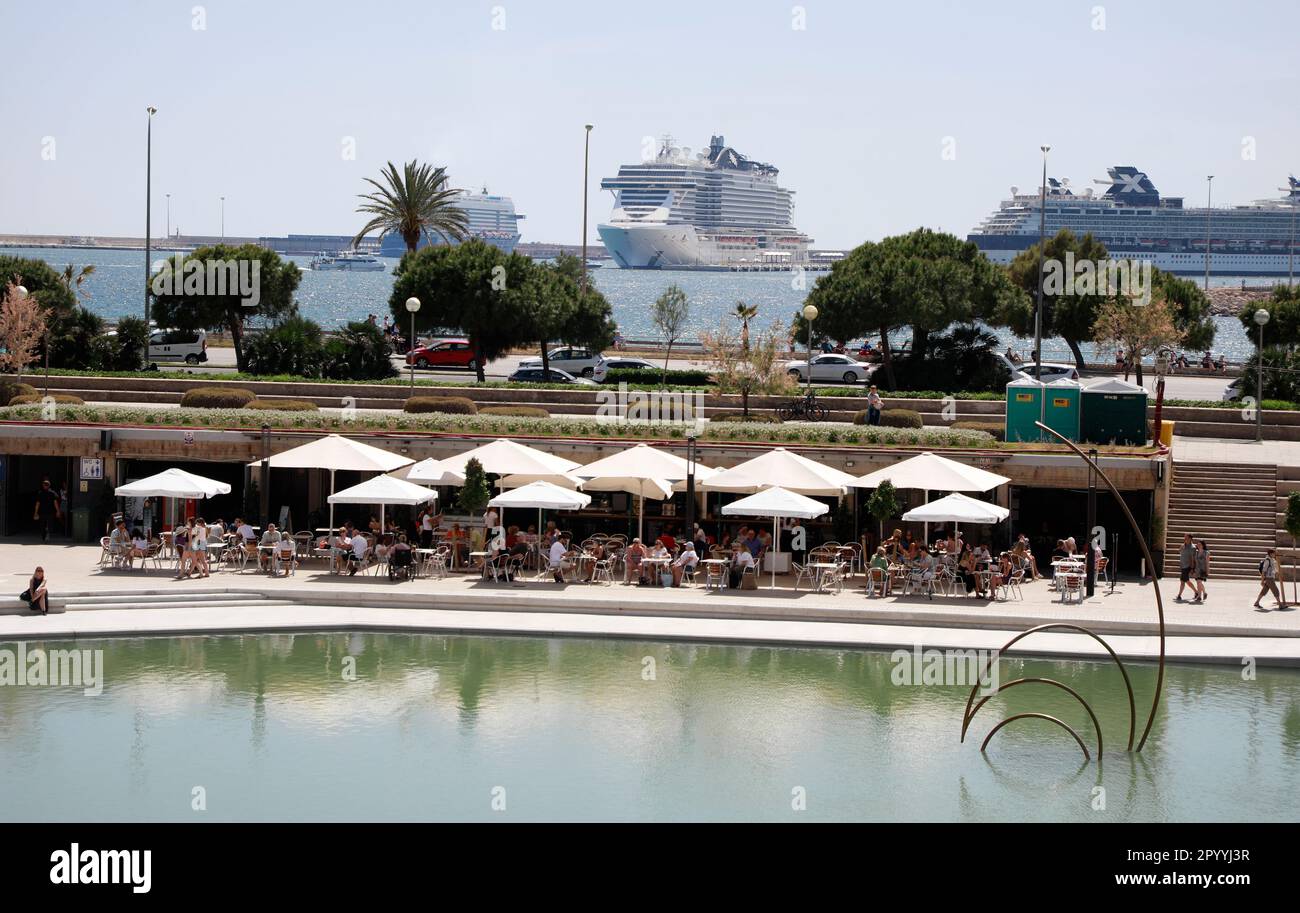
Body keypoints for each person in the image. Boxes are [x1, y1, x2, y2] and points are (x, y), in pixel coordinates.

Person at [33, 478, 61, 542]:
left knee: (42, 525)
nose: (44, 486)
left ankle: (44, 536)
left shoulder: (40, 493)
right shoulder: (53, 493)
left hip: (42, 512)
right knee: (50, 525)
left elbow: (37, 504)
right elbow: (55, 503)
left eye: (45, 485)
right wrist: (58, 511)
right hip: (50, 512)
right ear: (49, 485)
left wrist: (35, 512)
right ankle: (48, 533)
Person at [1175, 533, 1196, 602]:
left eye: (1186, 537)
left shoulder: (1192, 547)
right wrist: (1181, 548)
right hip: (1183, 565)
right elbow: (1180, 552)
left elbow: (1193, 558)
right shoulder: (1183, 545)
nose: (1184, 539)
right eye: (1184, 537)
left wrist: (1192, 568)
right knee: (1185, 581)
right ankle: (1196, 592)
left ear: (1190, 539)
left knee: (1183, 581)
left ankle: (1179, 595)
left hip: (1187, 566)